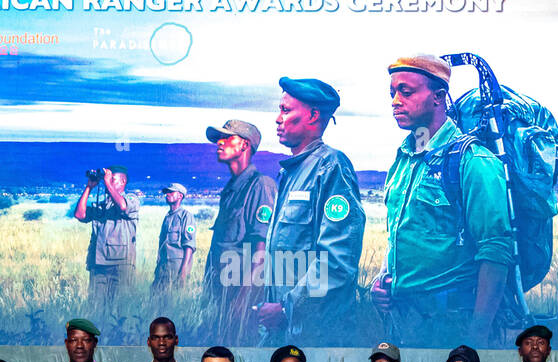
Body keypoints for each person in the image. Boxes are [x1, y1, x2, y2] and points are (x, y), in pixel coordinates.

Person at [373, 54, 514, 346]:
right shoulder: (403, 160)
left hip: (451, 324)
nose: (395, 101)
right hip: (404, 323)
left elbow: (496, 251)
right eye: (392, 93)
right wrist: (384, 281)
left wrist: (476, 338)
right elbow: (402, 233)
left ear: (438, 97)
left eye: (406, 91)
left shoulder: (473, 161)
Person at [258, 77, 365, 343]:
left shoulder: (331, 168)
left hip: (316, 335)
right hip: (286, 332)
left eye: (285, 110)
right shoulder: (291, 172)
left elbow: (337, 261)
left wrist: (286, 308)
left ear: (313, 115)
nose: (277, 119)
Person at [202, 119, 277, 346]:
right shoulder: (230, 190)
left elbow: (261, 252)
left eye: (227, 138)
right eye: (218, 139)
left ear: (245, 145)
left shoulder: (260, 186)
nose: (220, 143)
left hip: (243, 299)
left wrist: (243, 301)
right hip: (222, 295)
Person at [74, 164, 140, 303]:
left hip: (121, 264)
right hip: (98, 263)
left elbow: (122, 206)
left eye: (112, 179)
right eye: (106, 180)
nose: (107, 183)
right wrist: (89, 187)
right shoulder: (101, 205)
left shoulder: (132, 199)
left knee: (119, 308)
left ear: (123, 181)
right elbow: (80, 215)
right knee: (96, 307)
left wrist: (107, 182)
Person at [152, 183, 197, 292]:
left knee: (172, 300)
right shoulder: (167, 217)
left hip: (176, 268)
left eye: (171, 192)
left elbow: (189, 246)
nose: (167, 194)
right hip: (162, 267)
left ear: (180, 196)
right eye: (167, 192)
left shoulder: (186, 216)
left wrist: (183, 272)